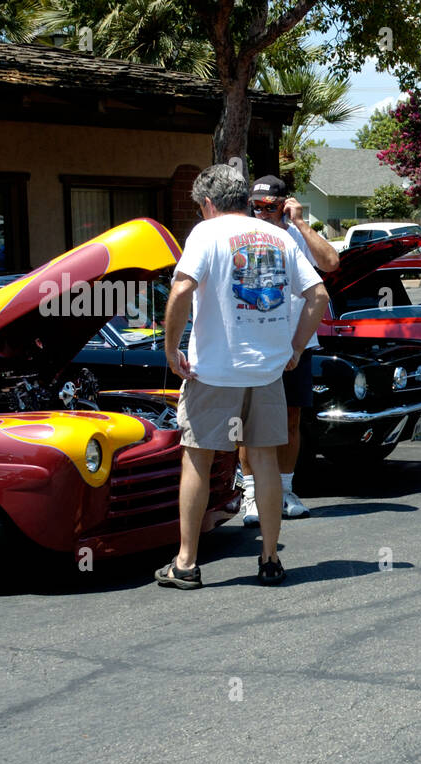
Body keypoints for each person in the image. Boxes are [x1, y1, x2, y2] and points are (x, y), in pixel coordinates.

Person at [154, 164, 327, 588]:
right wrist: (295, 347)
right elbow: (318, 294)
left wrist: (171, 348)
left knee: (198, 458)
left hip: (213, 370)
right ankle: (269, 560)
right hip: (266, 372)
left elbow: (180, 289)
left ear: (209, 203)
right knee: (264, 459)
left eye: (200, 207)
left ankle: (187, 564)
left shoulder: (206, 233)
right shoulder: (279, 236)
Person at [239, 175, 340, 525]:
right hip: (255, 341)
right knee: (249, 419)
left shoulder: (296, 233)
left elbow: (331, 263)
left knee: (291, 419)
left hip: (298, 340)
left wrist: (299, 222)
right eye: (257, 206)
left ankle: (284, 490)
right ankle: (251, 495)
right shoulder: (244, 234)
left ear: (286, 204)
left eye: (270, 207)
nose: (262, 213)